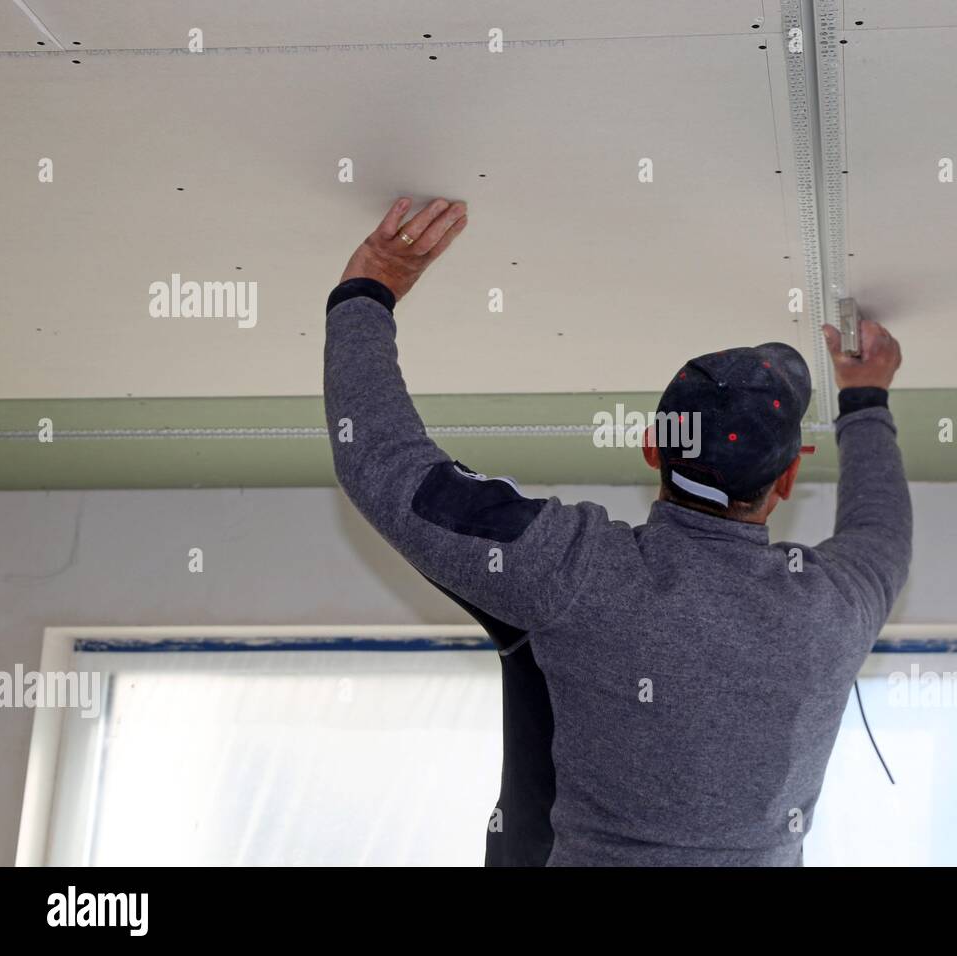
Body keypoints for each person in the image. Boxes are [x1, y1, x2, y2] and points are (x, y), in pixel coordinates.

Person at [324, 197, 912, 866]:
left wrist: (369, 286)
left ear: (651, 447)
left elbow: (382, 467)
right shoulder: (833, 608)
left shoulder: (576, 573)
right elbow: (882, 530)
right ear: (786, 480)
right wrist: (865, 400)